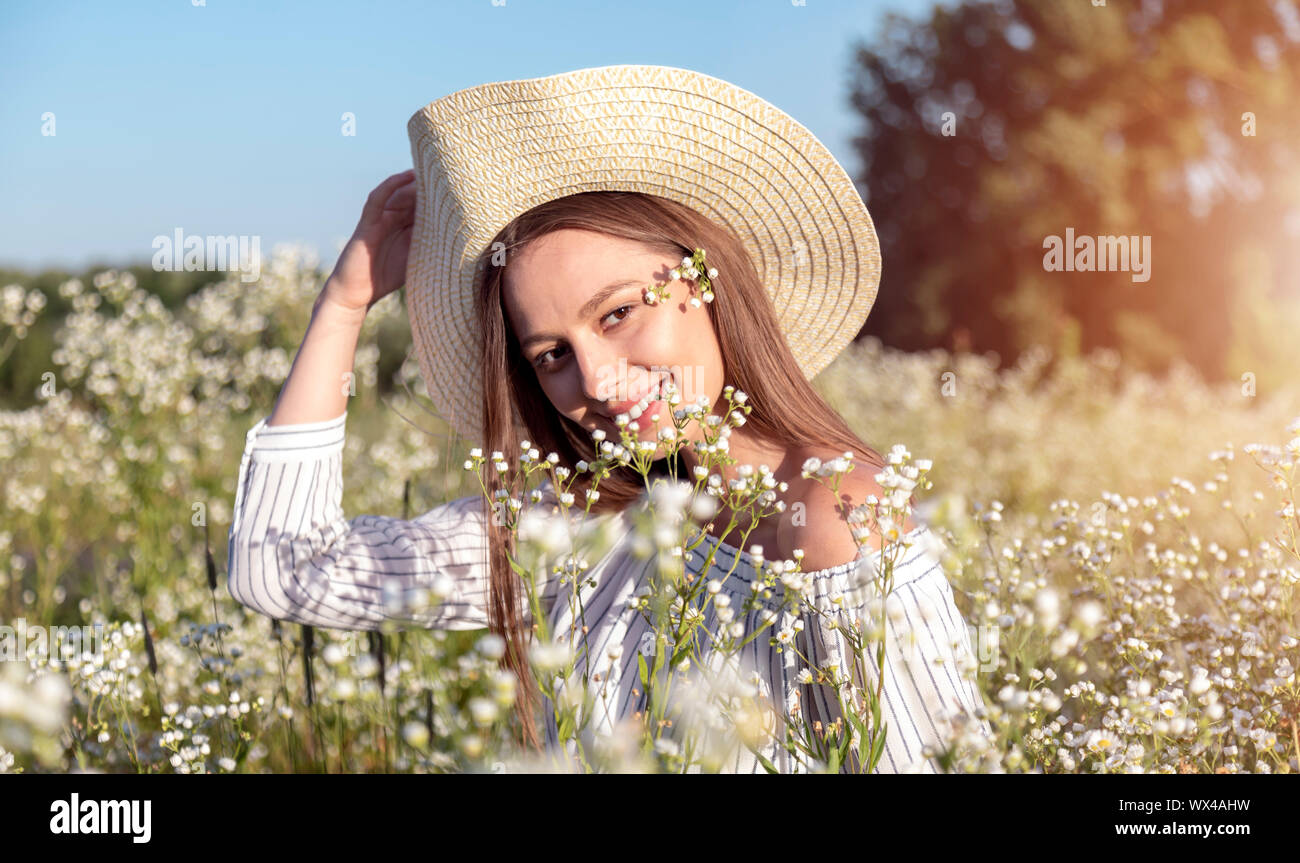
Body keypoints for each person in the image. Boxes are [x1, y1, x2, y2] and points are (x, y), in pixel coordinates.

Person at [227, 64, 993, 773]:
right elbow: (283, 568)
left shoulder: (839, 519)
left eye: (619, 312)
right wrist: (344, 303)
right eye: (551, 354)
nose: (595, 378)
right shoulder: (566, 534)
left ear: (708, 282)